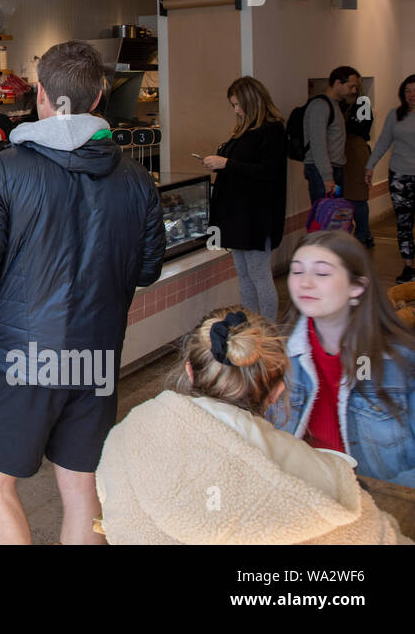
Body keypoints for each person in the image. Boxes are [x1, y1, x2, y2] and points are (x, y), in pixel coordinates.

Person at [0, 40, 164, 545]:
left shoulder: (6, 168)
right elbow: (148, 269)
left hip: (22, 357)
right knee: (79, 485)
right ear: (97, 98)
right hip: (96, 355)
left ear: (42, 96)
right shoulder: (137, 178)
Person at [96, 307, 408, 544]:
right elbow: (381, 535)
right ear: (277, 391)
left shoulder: (125, 436)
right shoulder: (322, 486)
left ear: (190, 371)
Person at [275, 230, 415, 487]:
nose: (305, 282)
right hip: (301, 499)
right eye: (297, 271)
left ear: (357, 287)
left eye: (322, 273)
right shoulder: (277, 354)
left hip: (383, 506)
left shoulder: (400, 359)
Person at [201, 76, 288, 319]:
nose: (236, 110)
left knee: (259, 274)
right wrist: (221, 164)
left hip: (257, 216)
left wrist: (227, 163)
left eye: (238, 104)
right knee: (244, 274)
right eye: (233, 106)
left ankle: (267, 329)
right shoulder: (243, 130)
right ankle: (251, 324)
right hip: (238, 214)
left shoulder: (272, 130)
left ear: (253, 101)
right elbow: (240, 165)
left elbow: (268, 172)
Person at [366, 75, 415, 283]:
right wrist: (369, 166)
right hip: (400, 177)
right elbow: (383, 142)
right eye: (407, 91)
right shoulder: (395, 115)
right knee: (404, 223)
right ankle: (409, 267)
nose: (412, 95)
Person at [303, 66, 361, 204]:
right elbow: (318, 145)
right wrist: (327, 177)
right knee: (325, 219)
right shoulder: (320, 106)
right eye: (351, 86)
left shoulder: (334, 105)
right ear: (337, 83)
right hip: (322, 171)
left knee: (334, 219)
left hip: (332, 169)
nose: (354, 91)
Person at [343, 94, 374, 248]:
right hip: (341, 153)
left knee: (358, 196)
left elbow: (361, 127)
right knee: (346, 197)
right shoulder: (337, 103)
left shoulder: (363, 103)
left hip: (356, 153)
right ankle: (363, 233)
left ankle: (362, 234)